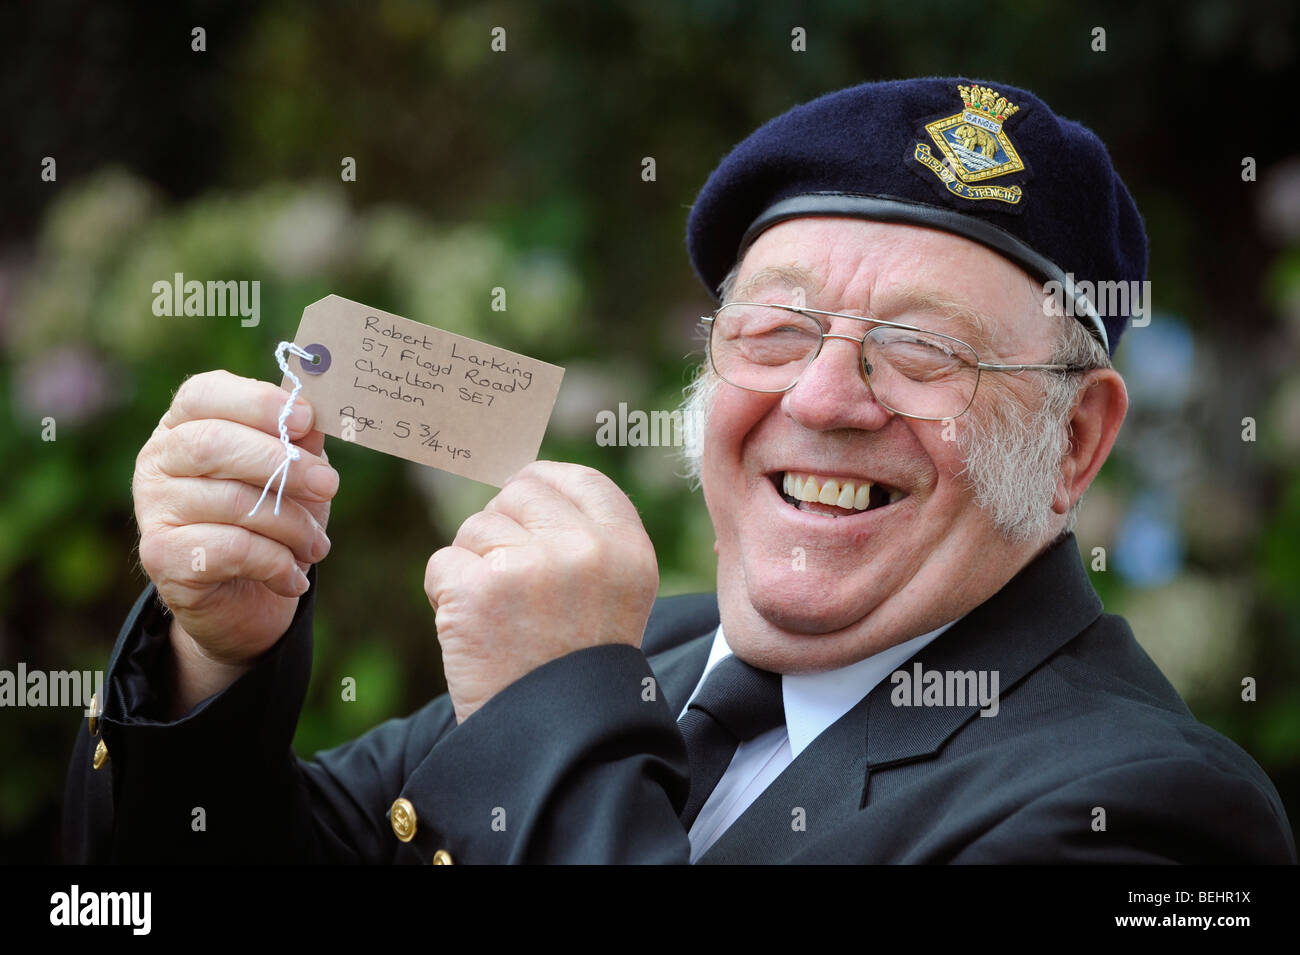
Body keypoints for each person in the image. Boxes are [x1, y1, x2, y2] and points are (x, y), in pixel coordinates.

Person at [64, 77, 1295, 864]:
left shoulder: (1154, 820)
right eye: (775, 330)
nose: (821, 398)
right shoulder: (642, 656)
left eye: (923, 349)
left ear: (1074, 443)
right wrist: (212, 660)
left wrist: (554, 719)